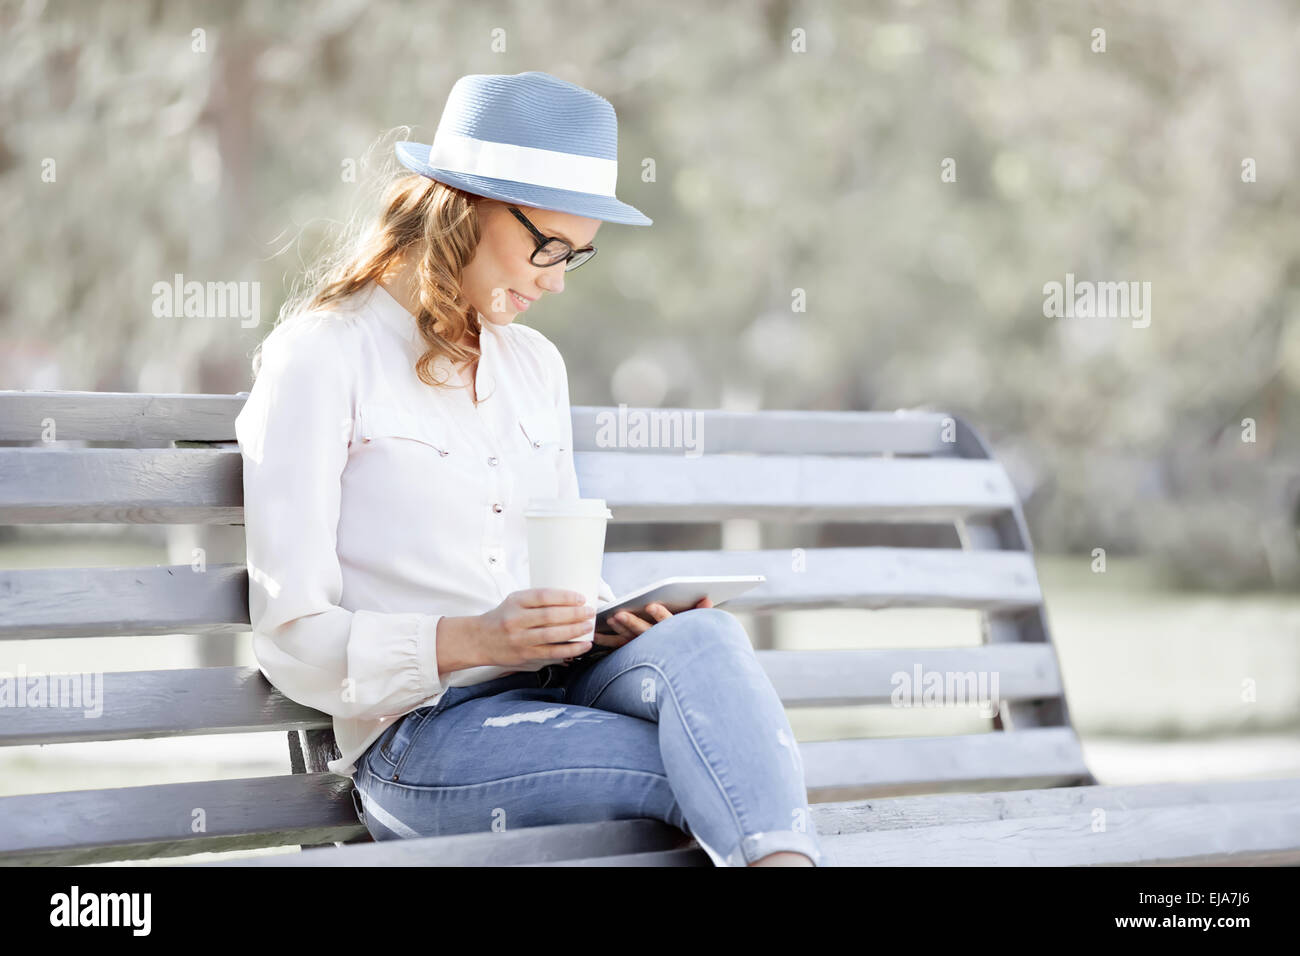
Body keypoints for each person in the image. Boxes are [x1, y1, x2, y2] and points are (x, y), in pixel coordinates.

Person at [235, 71, 826, 867]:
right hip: (425, 737)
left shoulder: (534, 367)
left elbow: (552, 568)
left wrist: (609, 622)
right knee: (718, 765)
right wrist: (473, 638)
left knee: (707, 639)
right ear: (462, 206)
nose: (553, 277)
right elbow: (291, 638)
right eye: (546, 246)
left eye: (576, 257)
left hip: (559, 685)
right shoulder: (321, 357)